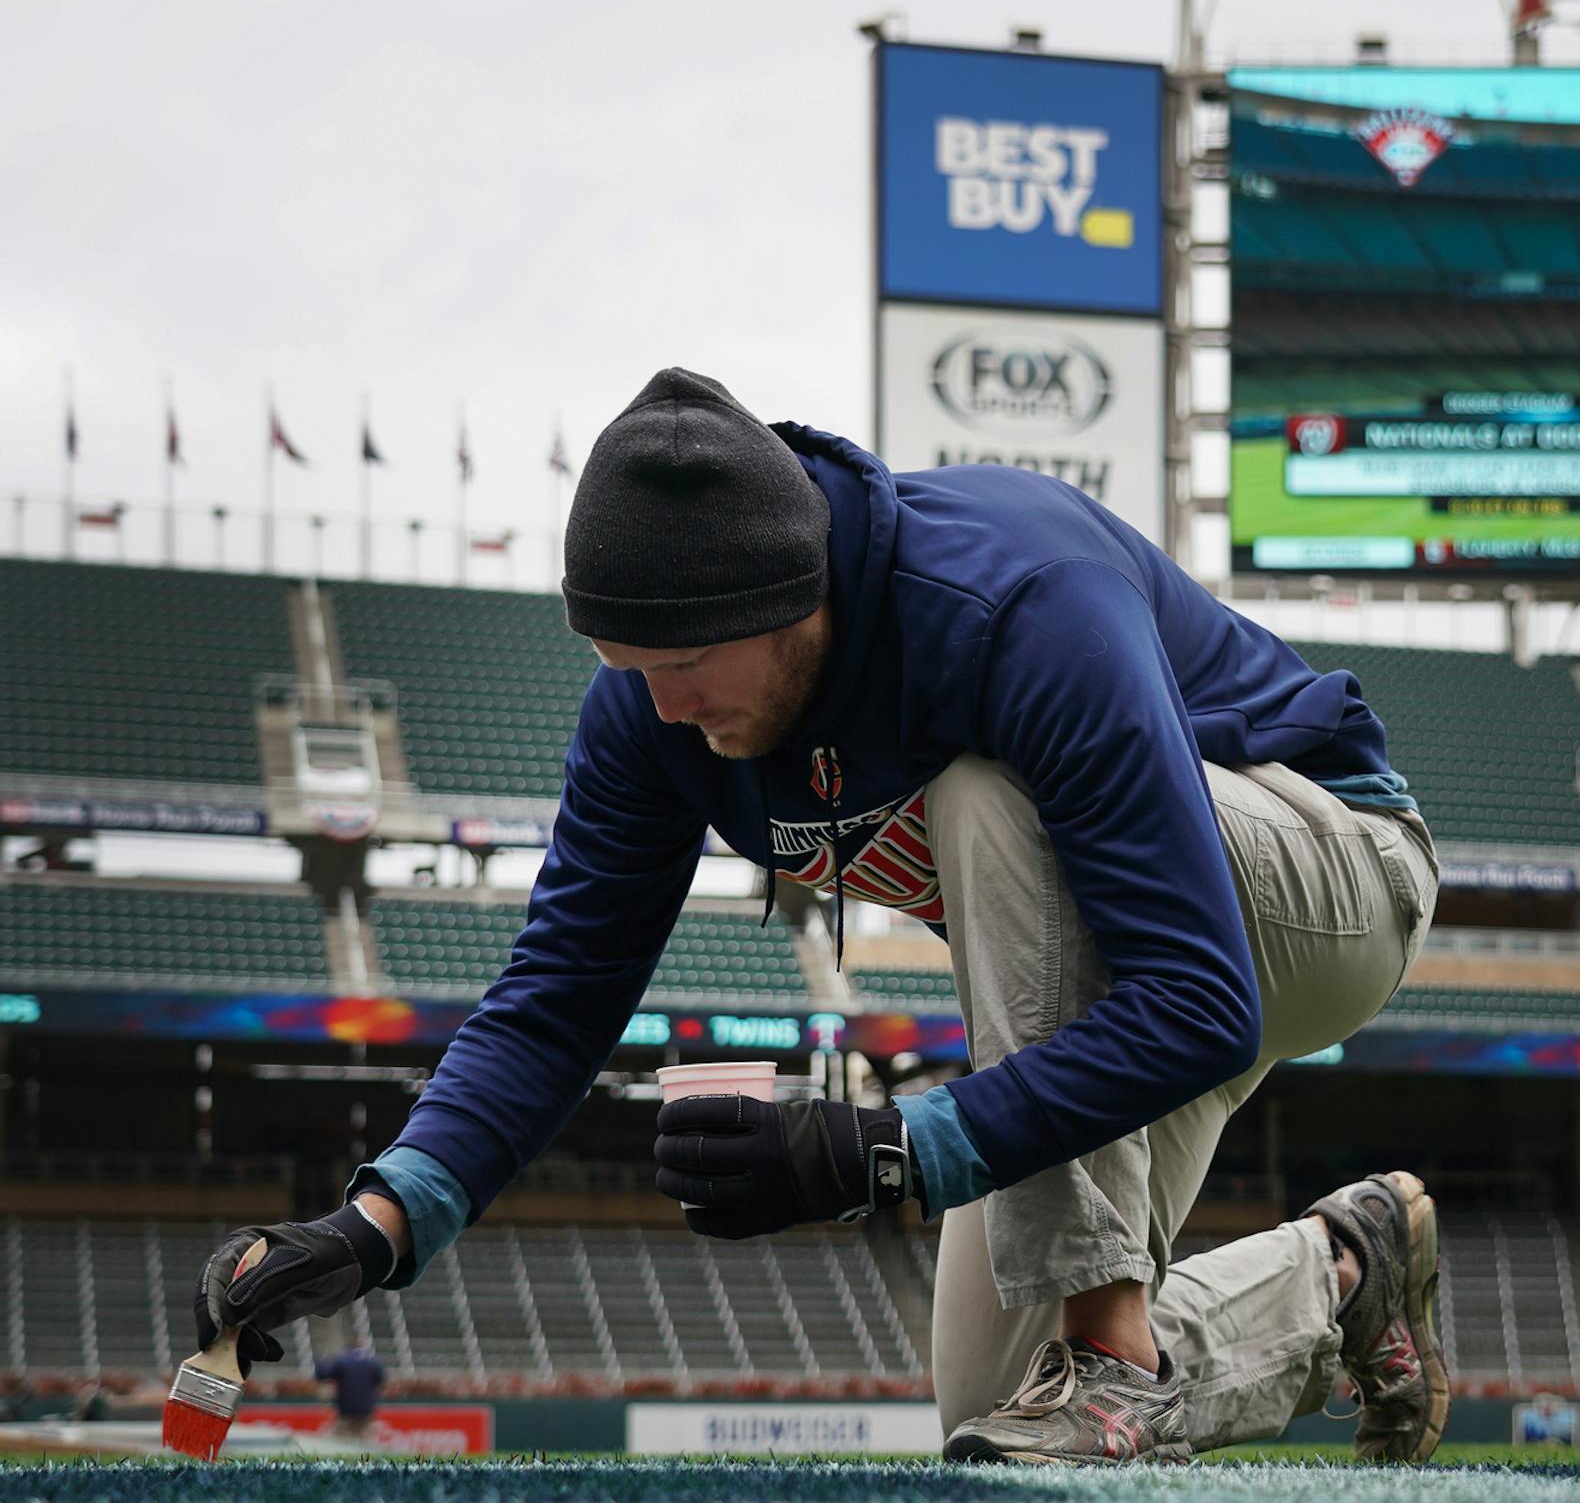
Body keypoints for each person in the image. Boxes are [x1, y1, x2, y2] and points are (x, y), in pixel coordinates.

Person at [194, 368, 1446, 1465]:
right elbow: (558, 996)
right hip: (1118, 973)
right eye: (631, 666)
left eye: (688, 663)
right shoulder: (650, 702)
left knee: (984, 787)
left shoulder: (1014, 599)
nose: (663, 706)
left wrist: (886, 1148)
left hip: (1326, 878)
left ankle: (1114, 1356)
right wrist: (376, 1222)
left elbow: (1201, 1000)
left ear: (797, 597)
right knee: (997, 1418)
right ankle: (1338, 1274)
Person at [315, 1344, 385, 1443]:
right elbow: (380, 1381)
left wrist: (319, 1361)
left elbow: (322, 1375)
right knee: (366, 1442)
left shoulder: (341, 1361)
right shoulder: (373, 1362)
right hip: (366, 1409)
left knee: (343, 1442)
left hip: (346, 1408)